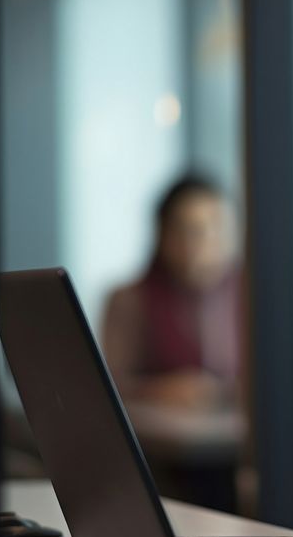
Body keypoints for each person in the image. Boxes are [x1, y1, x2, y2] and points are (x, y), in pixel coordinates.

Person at [102, 173, 241, 410]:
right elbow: (109, 385)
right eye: (193, 231)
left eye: (218, 228)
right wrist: (161, 391)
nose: (208, 243)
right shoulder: (131, 300)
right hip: (158, 430)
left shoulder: (248, 296)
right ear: (164, 235)